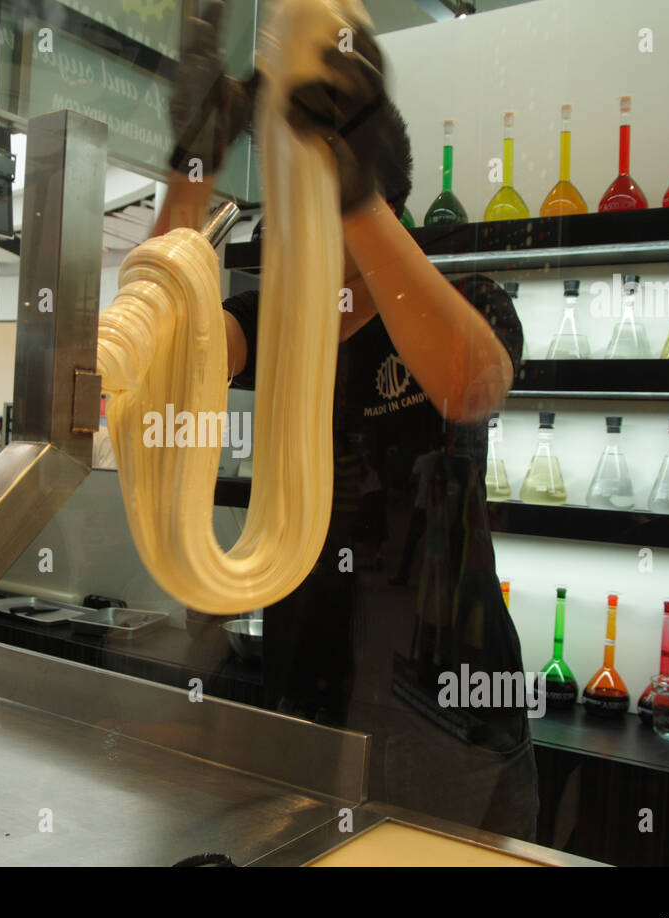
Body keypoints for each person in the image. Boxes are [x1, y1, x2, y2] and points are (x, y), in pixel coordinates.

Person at [158, 2, 536, 840]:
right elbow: (162, 338)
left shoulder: (468, 305)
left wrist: (349, 184)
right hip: (307, 694)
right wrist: (188, 171)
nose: (292, 231)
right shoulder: (275, 318)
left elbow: (471, 387)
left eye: (305, 203)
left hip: (450, 709)